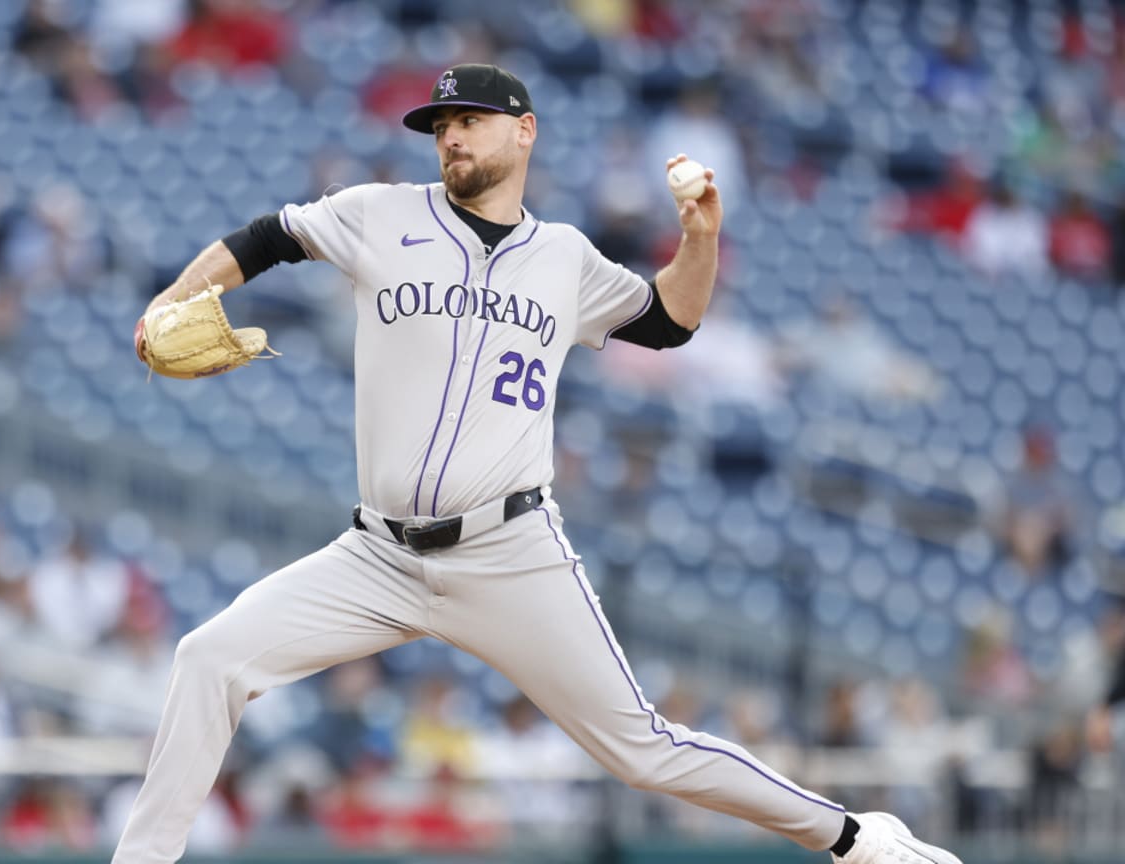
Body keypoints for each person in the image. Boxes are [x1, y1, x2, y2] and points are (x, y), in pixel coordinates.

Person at [121, 64, 959, 864]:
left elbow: (671, 321)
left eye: (469, 123)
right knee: (209, 657)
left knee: (642, 750)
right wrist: (177, 300)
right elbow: (266, 237)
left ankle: (855, 838)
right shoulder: (381, 213)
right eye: (441, 126)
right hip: (376, 555)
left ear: (523, 132)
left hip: (508, 553)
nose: (451, 139)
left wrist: (699, 237)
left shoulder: (565, 258)